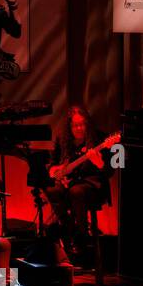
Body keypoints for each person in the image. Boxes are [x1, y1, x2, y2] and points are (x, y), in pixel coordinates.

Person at [45, 105, 113, 262]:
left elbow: (109, 172)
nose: (80, 128)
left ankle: (82, 237)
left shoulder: (99, 140)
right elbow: (52, 163)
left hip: (91, 186)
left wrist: (99, 163)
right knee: (51, 190)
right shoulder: (63, 140)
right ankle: (69, 227)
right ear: (70, 126)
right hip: (68, 185)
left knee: (76, 191)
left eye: (82, 124)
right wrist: (55, 170)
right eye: (76, 125)